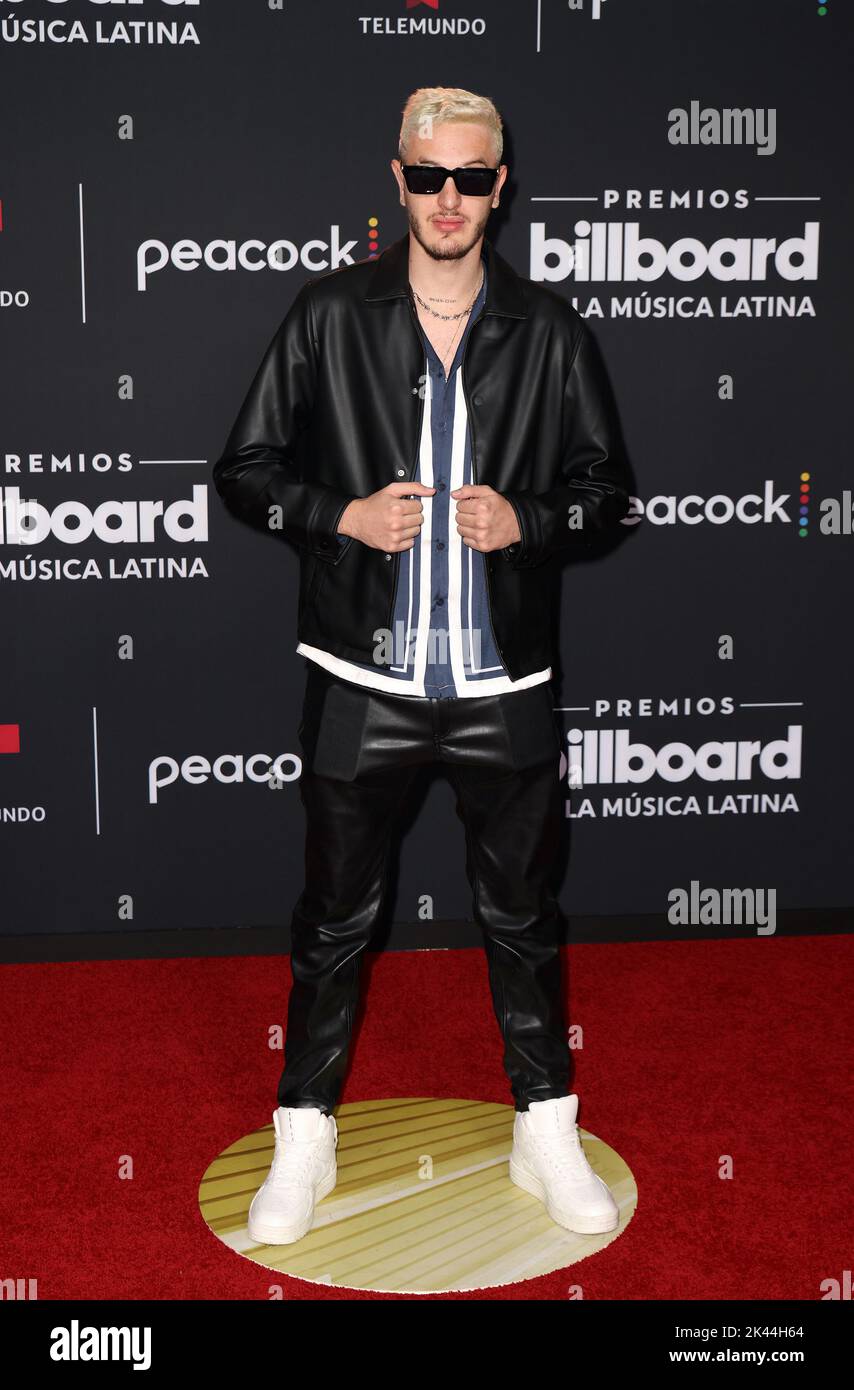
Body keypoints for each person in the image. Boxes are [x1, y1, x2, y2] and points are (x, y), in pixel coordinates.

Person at [212, 86, 631, 1247]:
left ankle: (544, 1127)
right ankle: (304, 1132)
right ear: (396, 182)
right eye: (428, 176)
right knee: (335, 918)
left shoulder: (548, 332)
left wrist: (528, 524)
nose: (449, 199)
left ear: (501, 187)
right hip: (364, 678)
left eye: (472, 178)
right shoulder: (328, 315)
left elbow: (606, 496)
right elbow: (241, 468)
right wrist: (335, 514)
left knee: (523, 914)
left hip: (505, 689)